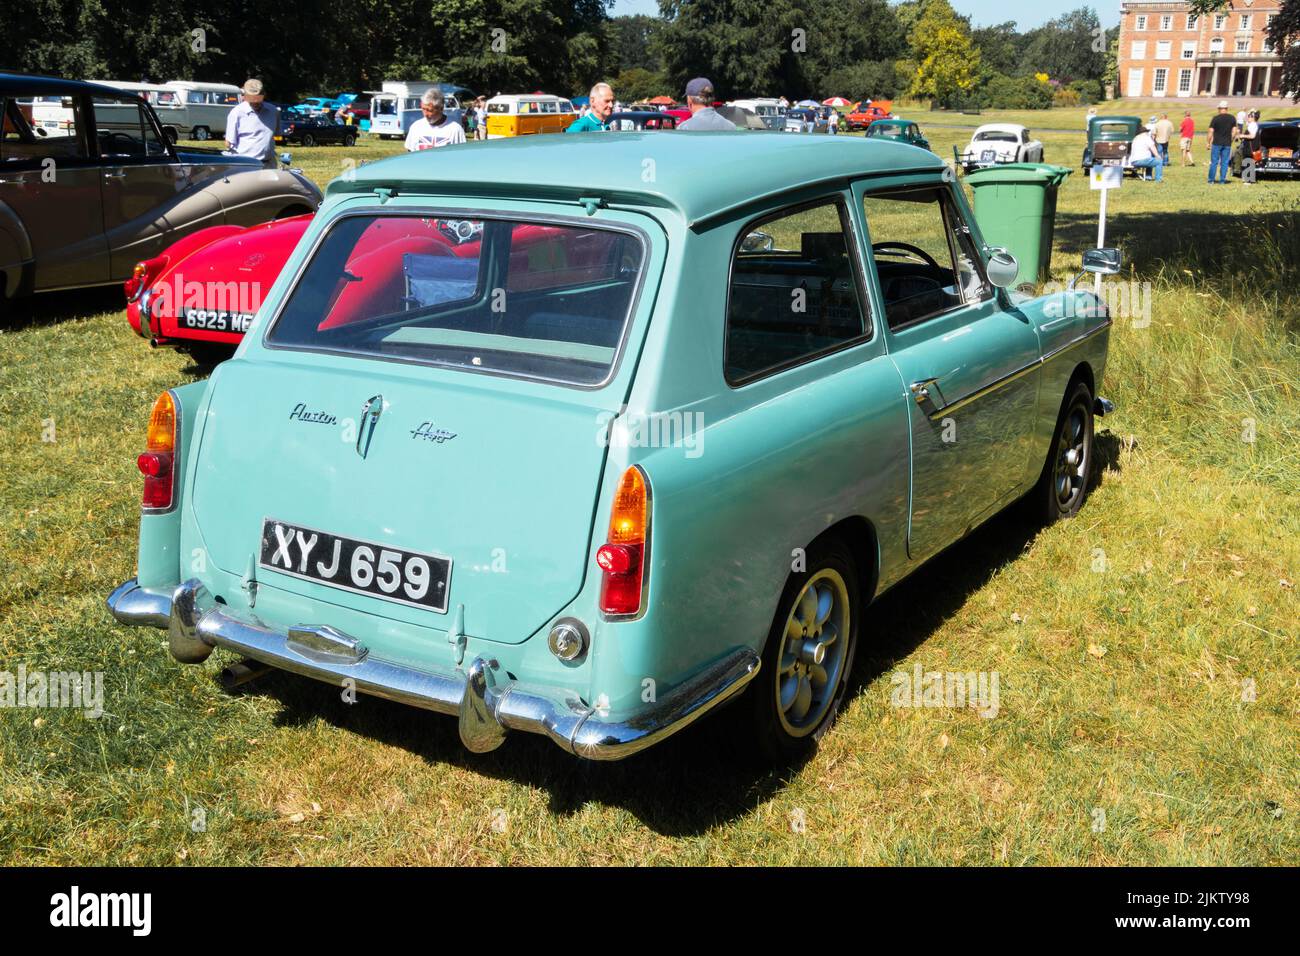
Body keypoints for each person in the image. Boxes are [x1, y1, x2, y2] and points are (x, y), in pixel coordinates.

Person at [225, 78, 279, 167]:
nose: (255, 101)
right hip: (245, 165)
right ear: (245, 96)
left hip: (269, 164)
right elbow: (228, 143)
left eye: (258, 98)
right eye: (251, 98)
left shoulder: (273, 111)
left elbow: (273, 136)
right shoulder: (236, 113)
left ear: (263, 95)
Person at [1206, 100, 1236, 184]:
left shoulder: (1215, 118)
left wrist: (1208, 142)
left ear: (1219, 108)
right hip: (1227, 143)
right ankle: (1222, 180)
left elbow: (1210, 132)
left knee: (1214, 162)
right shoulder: (1232, 118)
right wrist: (1231, 140)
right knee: (1224, 163)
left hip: (1216, 143)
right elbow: (1234, 131)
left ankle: (1211, 180)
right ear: (1226, 108)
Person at [1239, 110, 1260, 186]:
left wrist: (1243, 136)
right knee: (1249, 162)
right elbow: (1246, 120)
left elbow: (1252, 136)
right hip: (1250, 147)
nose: (1248, 117)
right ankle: (1249, 179)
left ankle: (1248, 180)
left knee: (1248, 161)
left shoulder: (1252, 125)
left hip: (1250, 147)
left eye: (1250, 116)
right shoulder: (1252, 124)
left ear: (1253, 117)